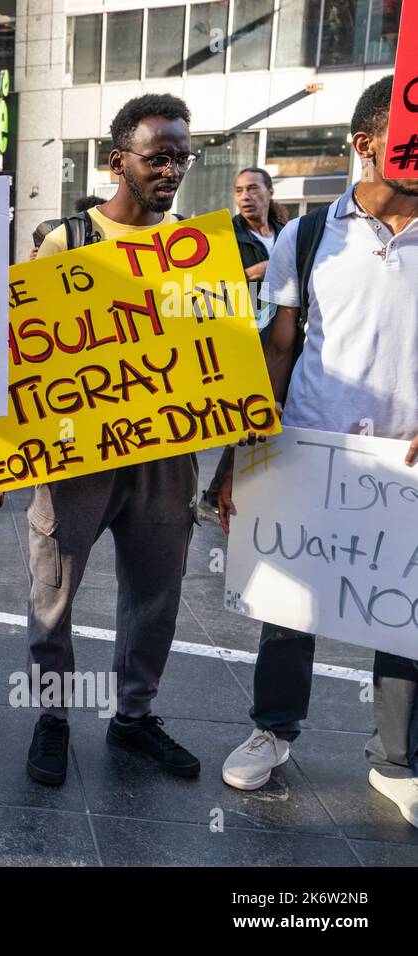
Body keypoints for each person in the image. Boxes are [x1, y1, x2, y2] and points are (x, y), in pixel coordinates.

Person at [0, 93, 202, 788]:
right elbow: (22, 355)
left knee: (157, 593)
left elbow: (211, 350)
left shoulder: (193, 245)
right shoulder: (67, 240)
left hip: (163, 453)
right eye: (158, 156)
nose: (172, 169)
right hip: (77, 455)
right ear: (116, 162)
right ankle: (53, 718)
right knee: (53, 592)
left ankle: (133, 717)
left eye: (181, 156)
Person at [218, 77, 418, 828]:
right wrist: (246, 454)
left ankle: (396, 760)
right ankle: (273, 730)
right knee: (288, 605)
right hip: (308, 447)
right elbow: (279, 346)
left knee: (403, 613)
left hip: (404, 464)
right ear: (368, 144)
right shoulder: (306, 235)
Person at [199, 167, 287, 517]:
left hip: (283, 334)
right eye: (238, 191)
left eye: (252, 188)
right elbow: (208, 290)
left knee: (264, 415)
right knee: (248, 417)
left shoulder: (286, 233)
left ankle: (226, 490)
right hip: (246, 337)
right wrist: (255, 272)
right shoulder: (226, 235)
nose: (245, 197)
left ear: (270, 192)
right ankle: (224, 492)